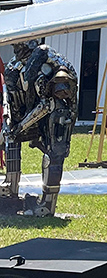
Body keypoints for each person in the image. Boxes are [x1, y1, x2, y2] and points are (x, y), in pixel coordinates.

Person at [0, 39, 78, 216]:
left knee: (54, 154)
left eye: (18, 47)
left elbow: (46, 105)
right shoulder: (17, 65)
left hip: (55, 114)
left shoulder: (44, 66)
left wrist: (20, 126)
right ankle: (10, 189)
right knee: (11, 138)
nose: (16, 50)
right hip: (32, 113)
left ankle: (47, 204)